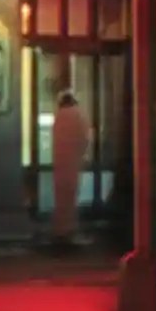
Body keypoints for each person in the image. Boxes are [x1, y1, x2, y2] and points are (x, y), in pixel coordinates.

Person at [51, 89, 88, 243]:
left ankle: (60, 229)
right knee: (71, 196)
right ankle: (70, 229)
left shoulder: (59, 116)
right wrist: (82, 154)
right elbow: (84, 138)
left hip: (59, 162)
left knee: (61, 197)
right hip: (73, 161)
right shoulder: (79, 115)